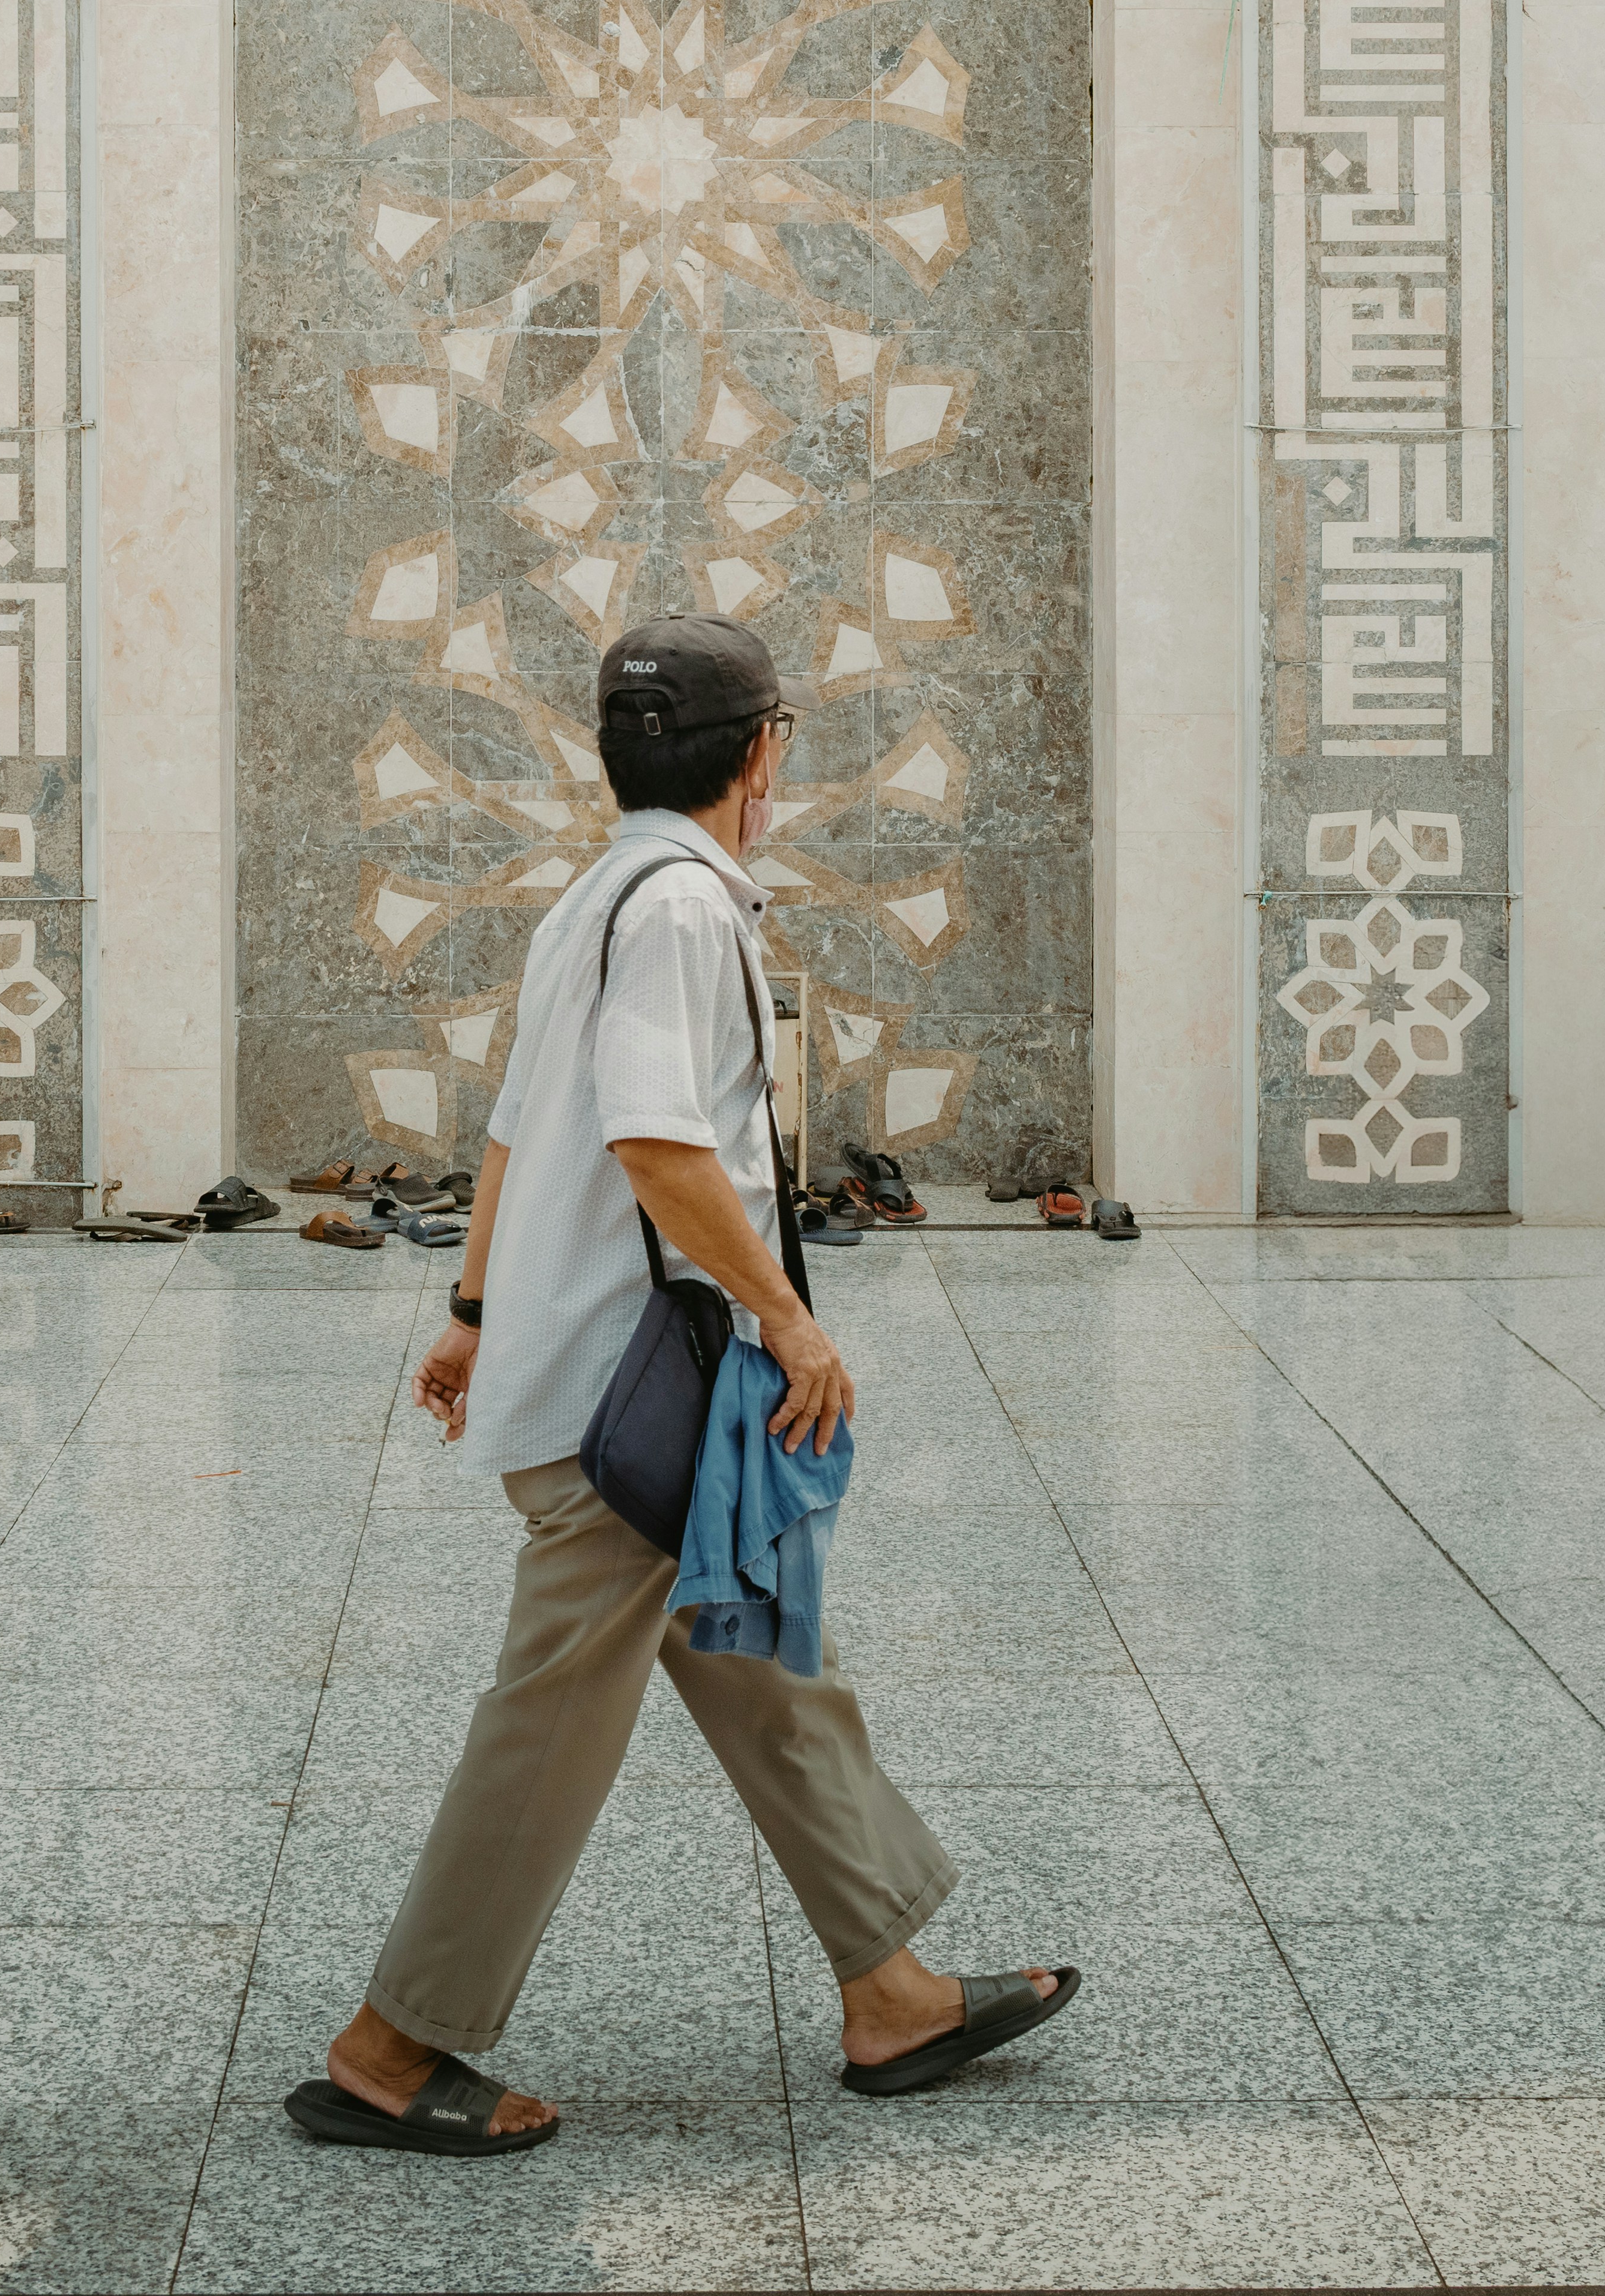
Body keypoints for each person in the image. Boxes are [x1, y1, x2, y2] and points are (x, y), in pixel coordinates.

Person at [285, 613, 1075, 2159]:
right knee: (551, 1724)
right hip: (626, 1406)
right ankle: (391, 2051)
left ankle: (894, 1993)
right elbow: (656, 1146)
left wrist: (467, 1309)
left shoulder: (593, 895)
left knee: (759, 1655)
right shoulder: (682, 916)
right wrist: (794, 1319)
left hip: (601, 1376)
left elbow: (517, 1129)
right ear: (765, 750)